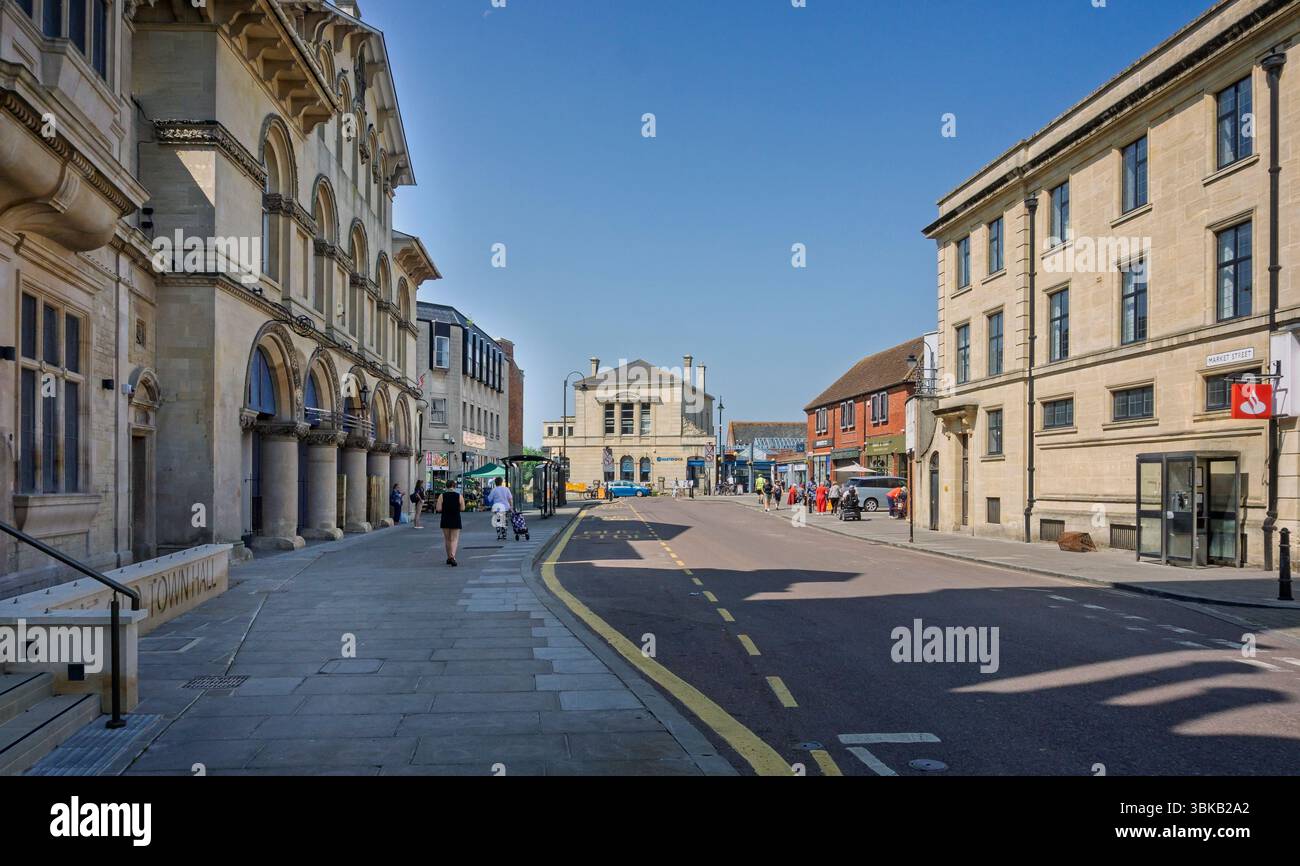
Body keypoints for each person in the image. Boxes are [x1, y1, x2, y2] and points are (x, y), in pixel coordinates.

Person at [435, 480, 463, 566]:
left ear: (446, 486)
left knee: (447, 539)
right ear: (454, 486)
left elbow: (438, 509)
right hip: (455, 518)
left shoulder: (441, 496)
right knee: (454, 539)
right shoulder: (459, 496)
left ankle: (448, 557)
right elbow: (462, 508)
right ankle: (453, 556)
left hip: (445, 518)